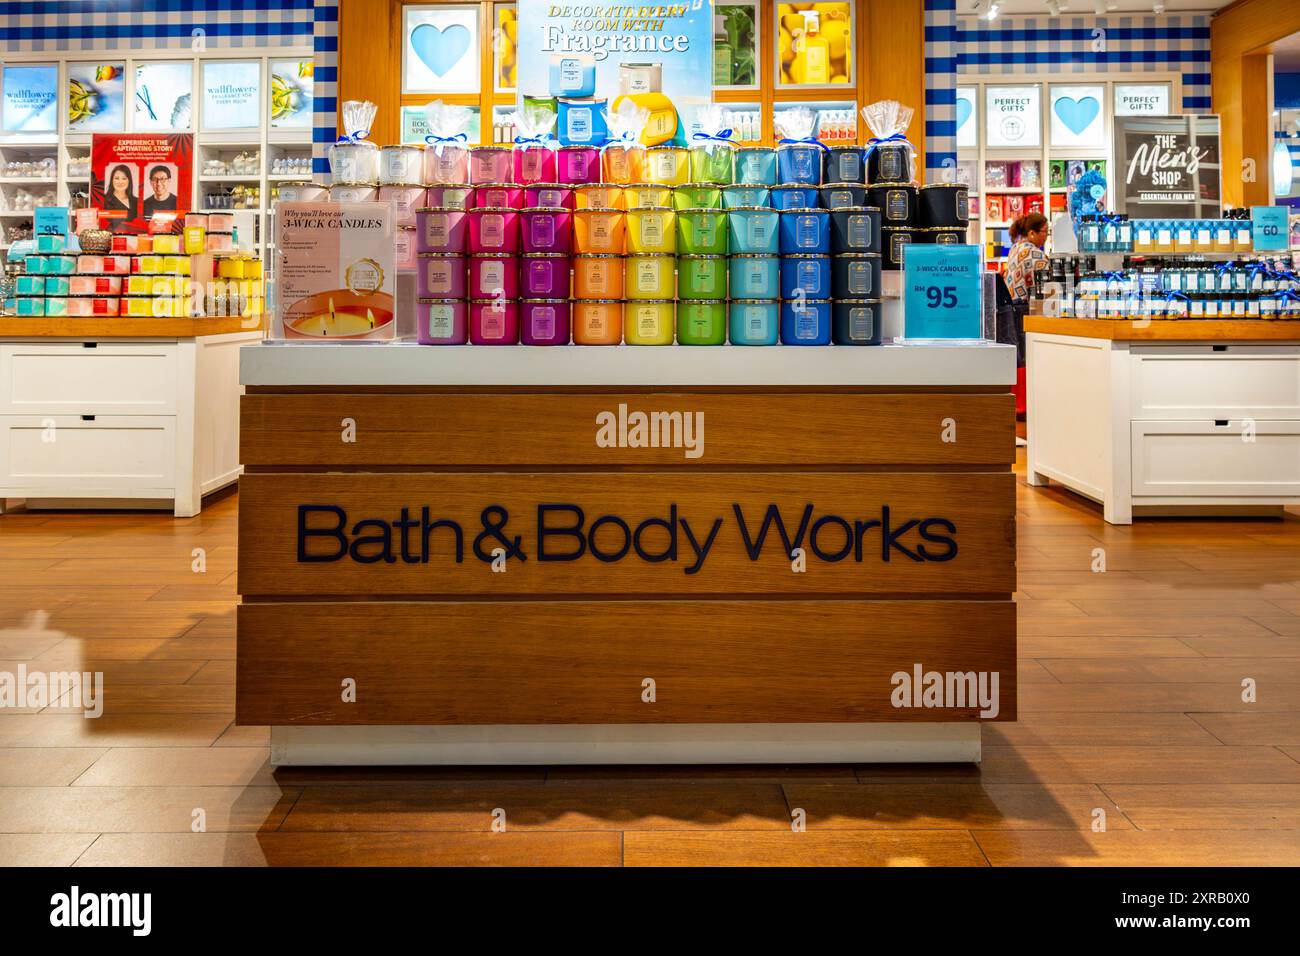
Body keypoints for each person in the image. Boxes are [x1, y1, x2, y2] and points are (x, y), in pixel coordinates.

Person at [1004, 212, 1049, 303]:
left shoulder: (1015, 248)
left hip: (1011, 309)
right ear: (1032, 233)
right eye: (1045, 231)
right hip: (1026, 311)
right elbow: (1048, 287)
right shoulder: (1034, 253)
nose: (1047, 236)